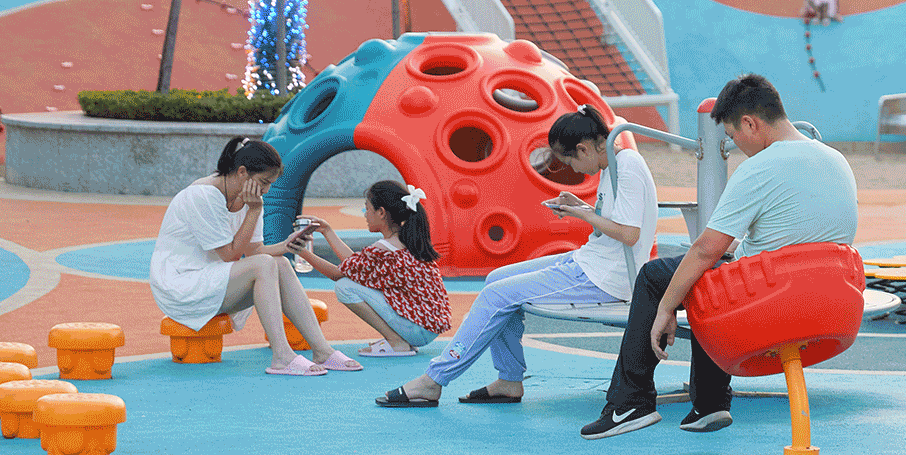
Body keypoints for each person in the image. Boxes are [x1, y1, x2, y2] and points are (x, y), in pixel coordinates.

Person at [581, 74, 858, 440]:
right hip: (833, 300)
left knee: (660, 275)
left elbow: (704, 249)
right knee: (716, 271)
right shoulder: (836, 159)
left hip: (771, 302)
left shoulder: (759, 168)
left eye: (733, 135)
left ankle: (630, 402)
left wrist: (666, 308)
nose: (735, 144)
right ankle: (710, 403)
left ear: (750, 123)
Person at [376, 106, 657, 407]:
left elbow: (629, 233)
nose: (574, 169)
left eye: (570, 160)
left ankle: (432, 382)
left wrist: (581, 214)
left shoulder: (625, 166)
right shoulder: (613, 164)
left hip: (606, 278)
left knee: (497, 295)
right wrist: (579, 206)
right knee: (497, 279)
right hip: (592, 262)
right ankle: (509, 380)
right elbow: (616, 221)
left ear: (584, 148)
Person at [149, 136, 363, 377]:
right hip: (181, 286)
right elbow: (231, 255)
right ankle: (282, 356)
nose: (266, 190)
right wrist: (253, 210)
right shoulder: (203, 196)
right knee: (264, 265)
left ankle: (322, 350)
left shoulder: (250, 198)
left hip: (214, 279)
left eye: (270, 183)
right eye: (263, 182)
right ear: (242, 172)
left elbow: (254, 251)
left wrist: (286, 245)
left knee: (280, 262)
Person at [292, 180, 450, 357]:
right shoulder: (408, 241)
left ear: (381, 212)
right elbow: (354, 264)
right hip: (427, 328)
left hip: (416, 329)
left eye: (367, 209)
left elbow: (337, 274)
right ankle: (398, 339)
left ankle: (395, 341)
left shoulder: (384, 248)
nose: (365, 214)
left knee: (344, 287)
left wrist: (303, 253)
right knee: (350, 279)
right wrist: (327, 231)